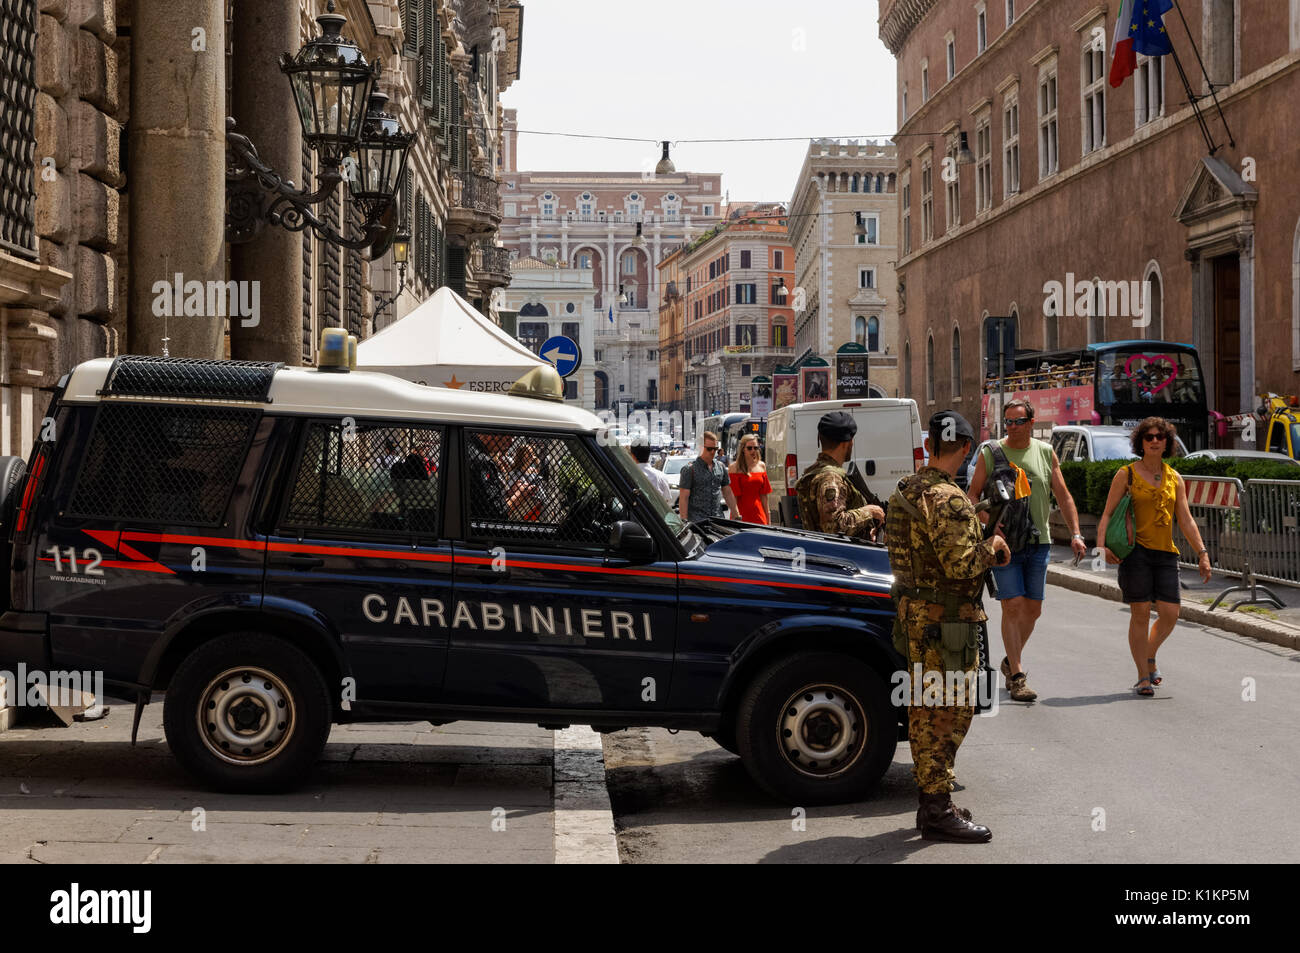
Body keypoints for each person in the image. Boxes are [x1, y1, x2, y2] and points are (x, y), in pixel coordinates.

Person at [887, 410, 1011, 843]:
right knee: (946, 716)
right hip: (947, 621)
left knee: (925, 708)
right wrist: (992, 546)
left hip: (917, 616)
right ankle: (937, 809)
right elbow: (960, 566)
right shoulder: (950, 499)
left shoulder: (907, 488)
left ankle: (934, 804)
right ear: (961, 449)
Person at [966, 397, 1088, 702]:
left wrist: (1076, 534)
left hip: (1039, 541)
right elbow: (972, 496)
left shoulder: (1045, 452)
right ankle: (1018, 676)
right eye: (1007, 421)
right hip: (1004, 543)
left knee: (1033, 609)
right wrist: (989, 524)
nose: (1012, 426)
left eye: (1018, 421)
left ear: (1032, 423)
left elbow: (1063, 495)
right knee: (1013, 605)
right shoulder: (991, 452)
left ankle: (1010, 660)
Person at [1096, 417, 1212, 696]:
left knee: (1171, 613)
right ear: (1141, 442)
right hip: (1135, 552)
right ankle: (1142, 675)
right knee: (1140, 613)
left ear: (1167, 442)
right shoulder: (1127, 474)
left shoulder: (1175, 478)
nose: (1155, 440)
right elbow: (1108, 512)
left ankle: (1149, 655)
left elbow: (1185, 519)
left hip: (1165, 553)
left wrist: (1202, 553)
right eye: (1149, 437)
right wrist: (1101, 547)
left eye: (1160, 436)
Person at [795, 411, 885, 538]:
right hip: (839, 555)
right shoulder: (831, 478)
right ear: (846, 443)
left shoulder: (814, 472)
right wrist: (869, 512)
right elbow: (834, 527)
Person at [678, 431, 739, 522]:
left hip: (718, 520)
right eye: (709, 449)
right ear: (700, 447)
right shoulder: (689, 469)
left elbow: (727, 492)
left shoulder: (721, 467)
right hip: (697, 522)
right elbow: (684, 498)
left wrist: (736, 513)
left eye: (715, 449)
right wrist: (684, 521)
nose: (713, 452)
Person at [728, 433, 772, 524]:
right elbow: (733, 498)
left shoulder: (761, 466)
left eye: (756, 448)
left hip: (759, 516)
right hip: (741, 517)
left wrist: (768, 518)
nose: (753, 451)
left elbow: (764, 496)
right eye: (749, 448)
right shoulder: (734, 468)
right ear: (743, 449)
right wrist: (734, 519)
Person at [630, 441, 673, 505]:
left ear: (632, 456)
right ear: (649, 454)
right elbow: (667, 500)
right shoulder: (661, 476)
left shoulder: (628, 475)